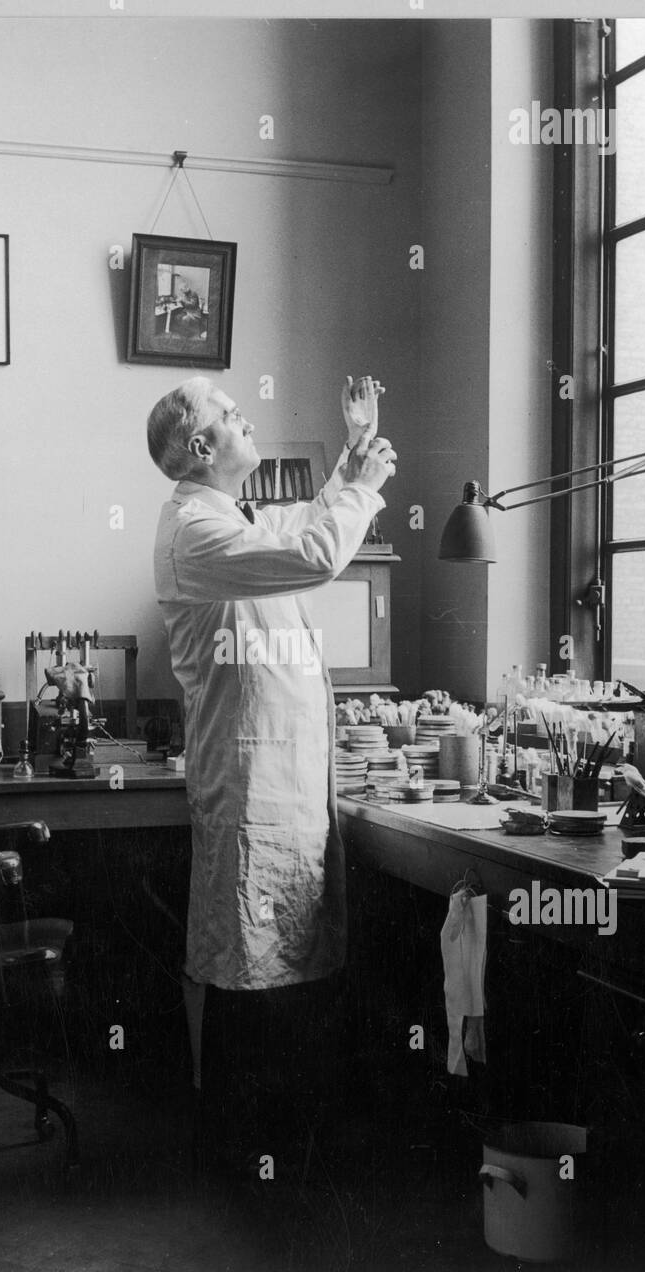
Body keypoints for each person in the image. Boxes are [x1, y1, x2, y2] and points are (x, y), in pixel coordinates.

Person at [150, 373, 394, 1174]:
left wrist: (352, 462)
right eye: (229, 414)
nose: (244, 415)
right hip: (254, 792)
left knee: (284, 969)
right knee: (249, 972)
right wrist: (357, 487)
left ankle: (276, 1154)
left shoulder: (227, 519)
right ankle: (243, 1162)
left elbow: (299, 527)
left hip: (283, 788)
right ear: (200, 448)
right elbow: (315, 552)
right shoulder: (195, 532)